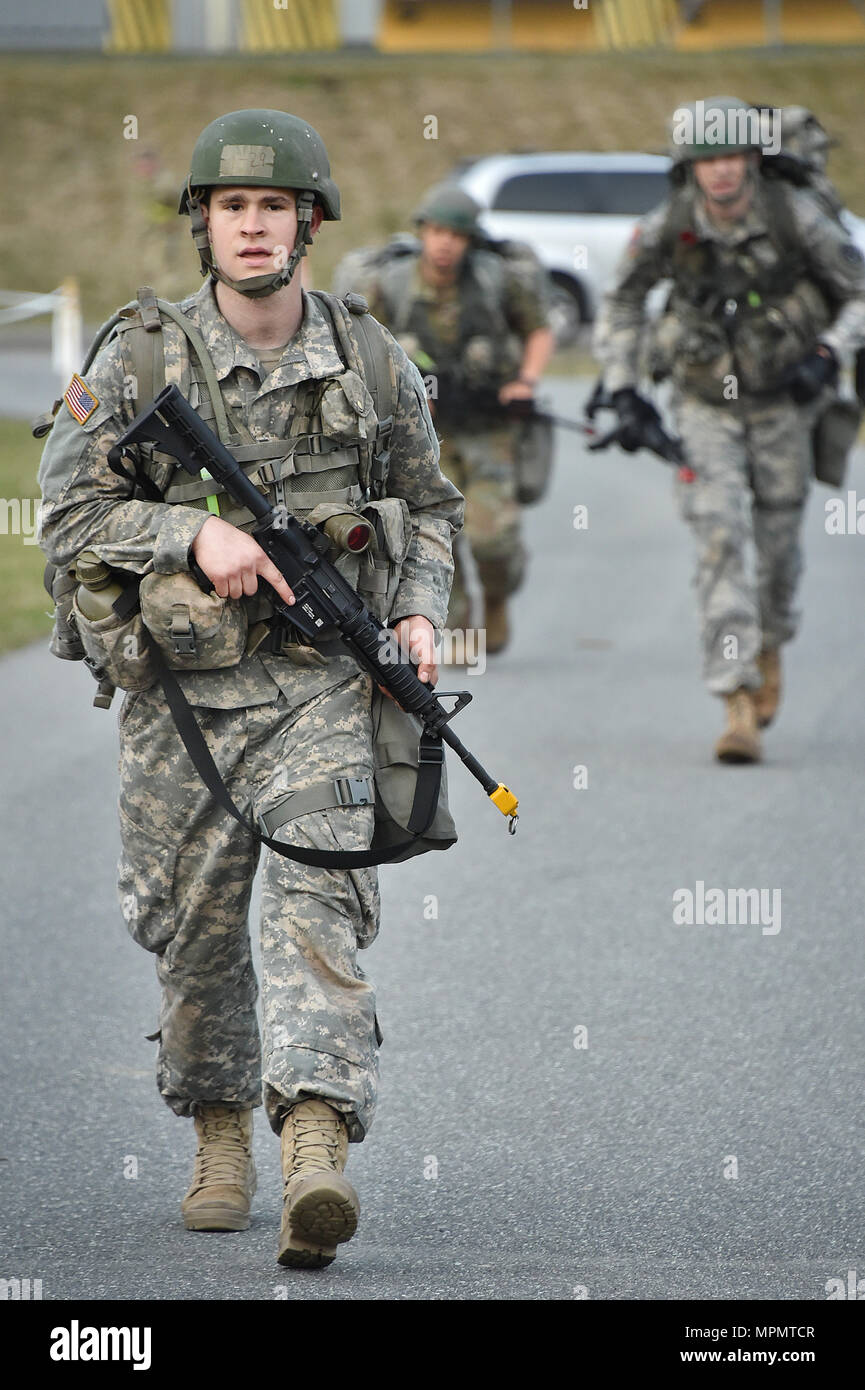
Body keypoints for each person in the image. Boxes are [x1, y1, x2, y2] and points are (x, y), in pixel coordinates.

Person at [37, 109, 463, 1268]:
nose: (254, 226)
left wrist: (420, 603)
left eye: (275, 206)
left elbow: (429, 506)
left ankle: (314, 1140)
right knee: (193, 933)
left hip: (324, 682)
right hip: (181, 696)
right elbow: (67, 512)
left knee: (313, 890)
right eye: (233, 207)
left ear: (309, 223)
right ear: (204, 226)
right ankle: (220, 1135)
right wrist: (190, 536)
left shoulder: (371, 358)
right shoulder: (136, 357)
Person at [593, 95, 865, 763]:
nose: (719, 172)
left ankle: (769, 643)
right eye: (705, 159)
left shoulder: (794, 217)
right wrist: (625, 386)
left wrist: (828, 351)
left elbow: (858, 293)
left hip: (782, 403)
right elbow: (623, 298)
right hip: (702, 402)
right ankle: (735, 697)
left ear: (752, 160)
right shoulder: (668, 224)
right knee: (718, 539)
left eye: (731, 157)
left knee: (776, 551)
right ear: (688, 167)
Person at [334, 183, 554, 653]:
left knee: (493, 538)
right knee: (434, 529)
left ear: (470, 241)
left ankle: (496, 596)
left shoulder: (497, 281)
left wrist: (526, 382)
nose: (444, 243)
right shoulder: (391, 283)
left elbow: (537, 329)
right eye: (435, 231)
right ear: (422, 233)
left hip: (490, 429)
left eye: (455, 234)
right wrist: (400, 397)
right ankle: (453, 624)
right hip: (425, 437)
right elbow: (361, 343)